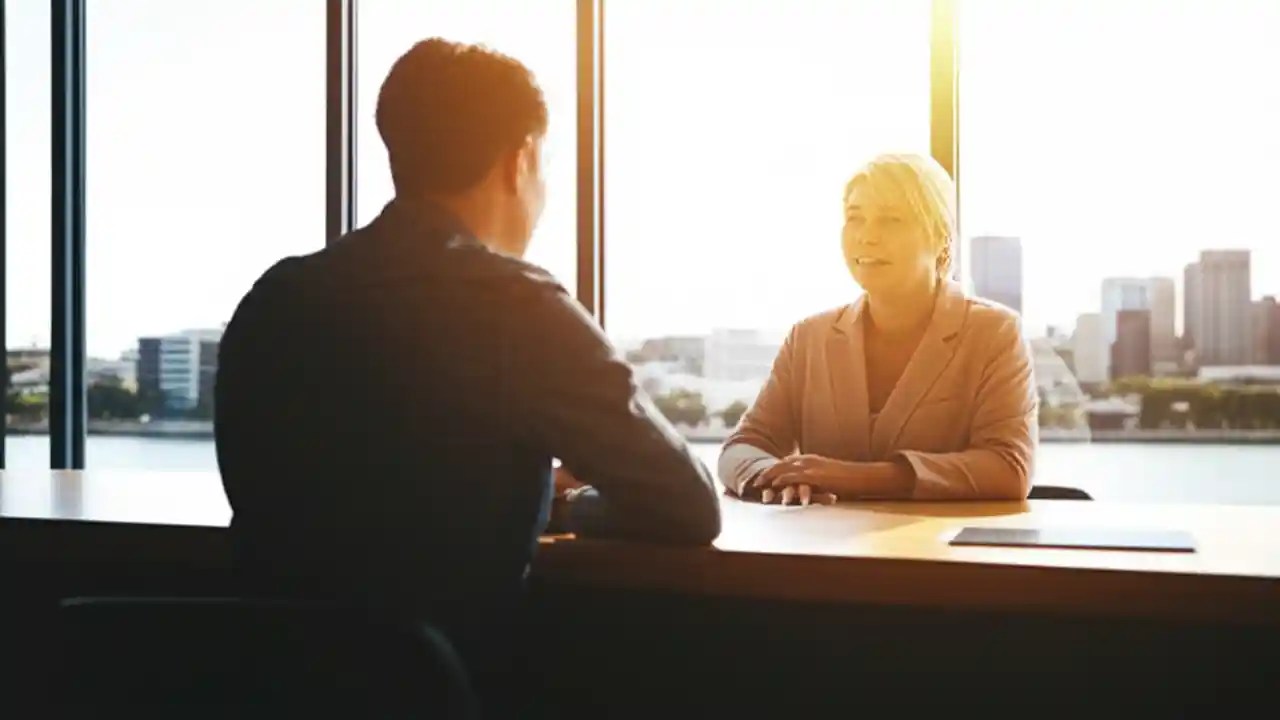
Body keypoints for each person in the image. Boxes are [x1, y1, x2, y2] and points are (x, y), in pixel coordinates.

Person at [215, 37, 720, 713]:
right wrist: (567, 507)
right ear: (521, 161)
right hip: (435, 693)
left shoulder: (273, 300)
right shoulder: (514, 305)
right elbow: (687, 503)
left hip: (260, 692)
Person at [718, 153, 1036, 505]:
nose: (867, 236)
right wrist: (779, 480)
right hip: (825, 553)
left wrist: (851, 477)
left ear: (940, 236)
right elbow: (743, 447)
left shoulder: (993, 333)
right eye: (855, 218)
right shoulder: (808, 338)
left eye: (891, 220)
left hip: (939, 553)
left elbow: (1009, 468)